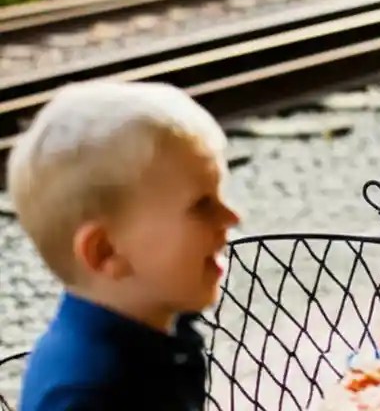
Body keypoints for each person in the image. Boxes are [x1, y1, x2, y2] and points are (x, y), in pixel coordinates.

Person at [8, 82, 240, 411]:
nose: (232, 217)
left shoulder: (164, 328)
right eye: (202, 205)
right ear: (106, 252)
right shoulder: (86, 397)